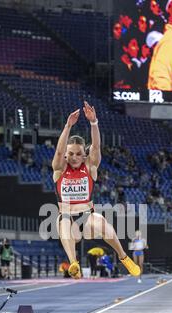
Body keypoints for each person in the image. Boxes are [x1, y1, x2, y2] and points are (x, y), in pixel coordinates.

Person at [52, 101, 140, 279]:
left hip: (87, 215)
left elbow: (97, 147)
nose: (74, 157)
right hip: (67, 217)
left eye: (78, 153)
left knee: (103, 224)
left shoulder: (90, 167)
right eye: (71, 154)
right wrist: (68, 126)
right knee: (64, 225)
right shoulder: (59, 169)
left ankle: (123, 257)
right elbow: (60, 152)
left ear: (84, 155)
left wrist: (94, 123)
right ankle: (74, 263)